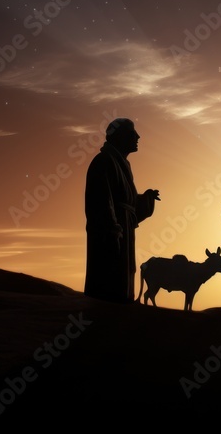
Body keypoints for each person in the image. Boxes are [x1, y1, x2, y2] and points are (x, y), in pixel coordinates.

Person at [84, 118, 160, 303]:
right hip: (110, 236)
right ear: (119, 136)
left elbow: (128, 205)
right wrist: (112, 231)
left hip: (122, 232)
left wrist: (146, 199)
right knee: (108, 283)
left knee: (121, 282)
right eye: (132, 133)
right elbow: (100, 202)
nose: (137, 136)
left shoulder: (121, 165)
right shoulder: (104, 161)